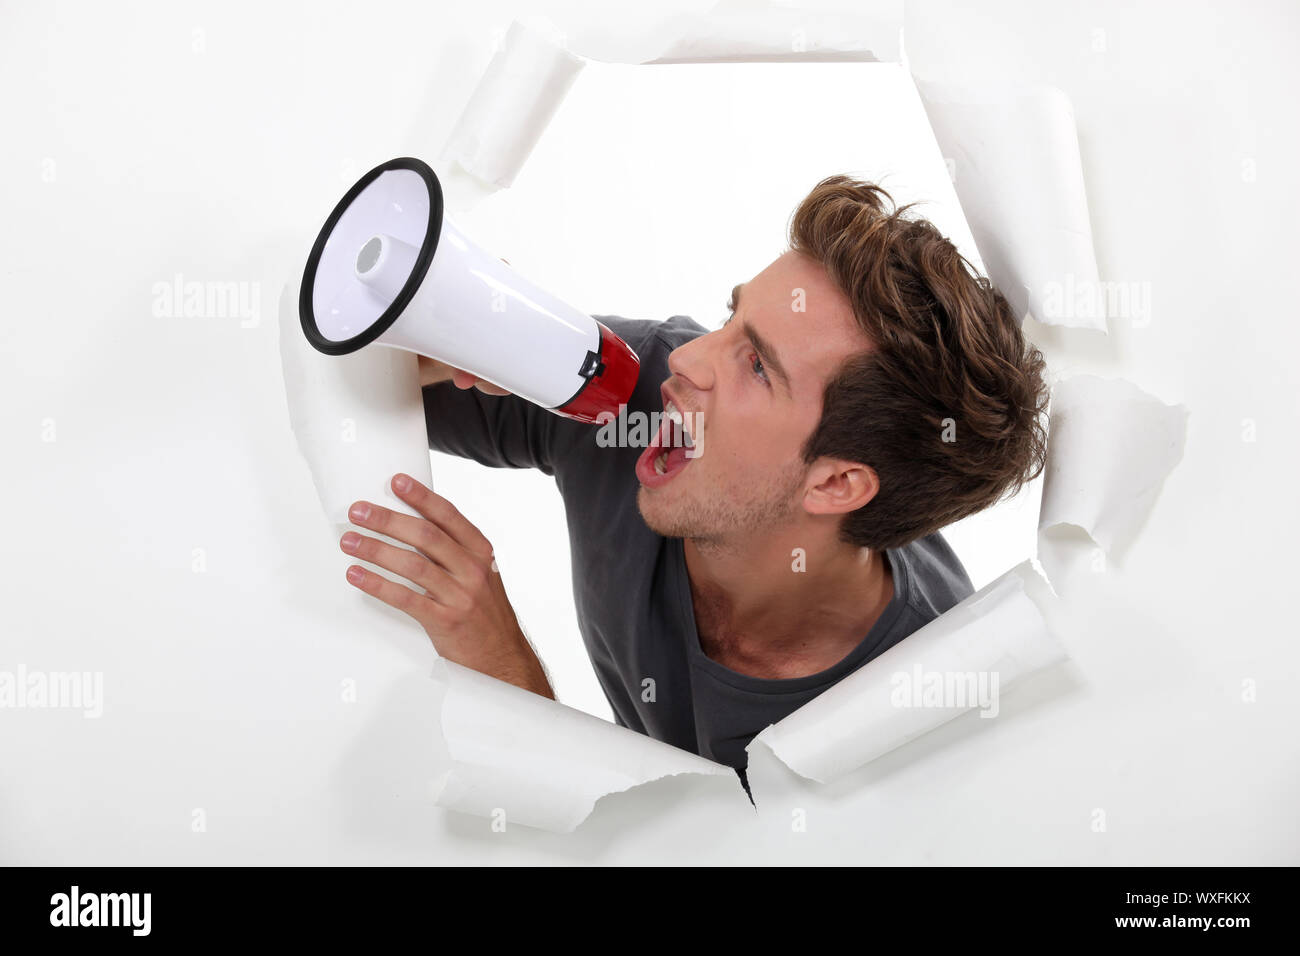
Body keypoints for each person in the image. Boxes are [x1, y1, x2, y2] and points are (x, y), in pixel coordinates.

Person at [341, 175, 1050, 778]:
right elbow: (359, 364)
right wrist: (442, 329)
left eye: (756, 366)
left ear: (836, 485)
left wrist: (501, 671)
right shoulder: (637, 394)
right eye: (730, 319)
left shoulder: (912, 720)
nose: (690, 360)